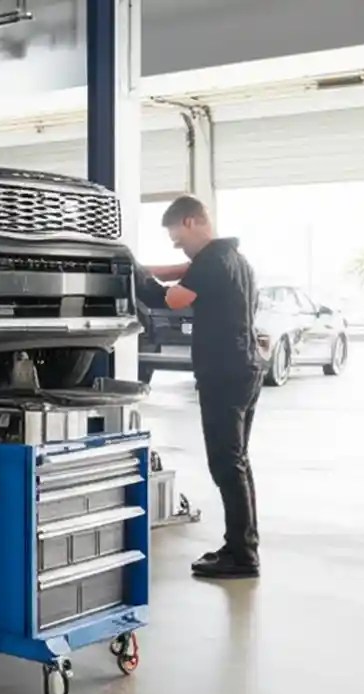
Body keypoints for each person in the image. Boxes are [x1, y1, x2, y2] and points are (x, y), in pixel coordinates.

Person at [134, 195, 266, 579]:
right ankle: (242, 545)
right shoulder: (234, 259)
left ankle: (242, 557)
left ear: (191, 222)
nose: (178, 245)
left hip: (224, 373)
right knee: (237, 462)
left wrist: (138, 280)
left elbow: (170, 298)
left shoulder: (210, 263)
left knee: (225, 464)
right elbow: (181, 270)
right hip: (246, 369)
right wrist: (140, 265)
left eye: (177, 237)